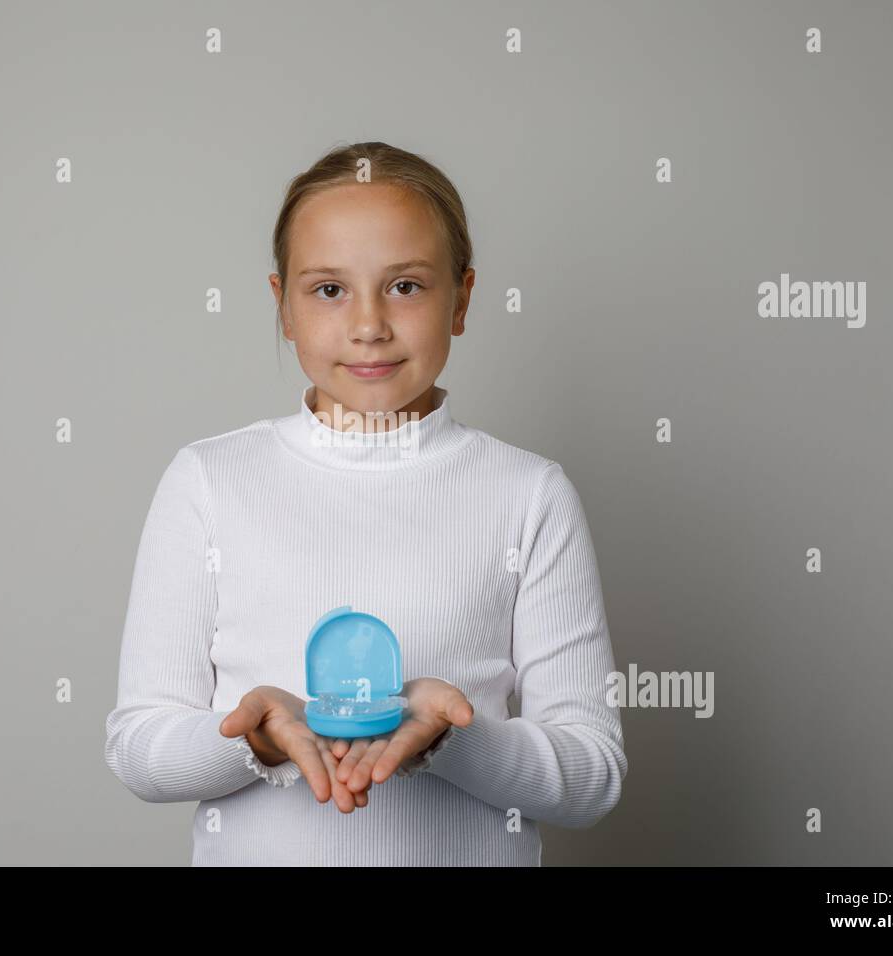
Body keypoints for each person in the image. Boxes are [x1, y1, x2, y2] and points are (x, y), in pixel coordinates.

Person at [104, 141, 627, 865]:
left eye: (405, 286)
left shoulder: (529, 494)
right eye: (329, 290)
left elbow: (592, 777)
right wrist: (254, 738)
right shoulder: (209, 481)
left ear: (462, 299)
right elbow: (140, 749)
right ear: (283, 306)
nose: (369, 324)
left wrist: (453, 740)